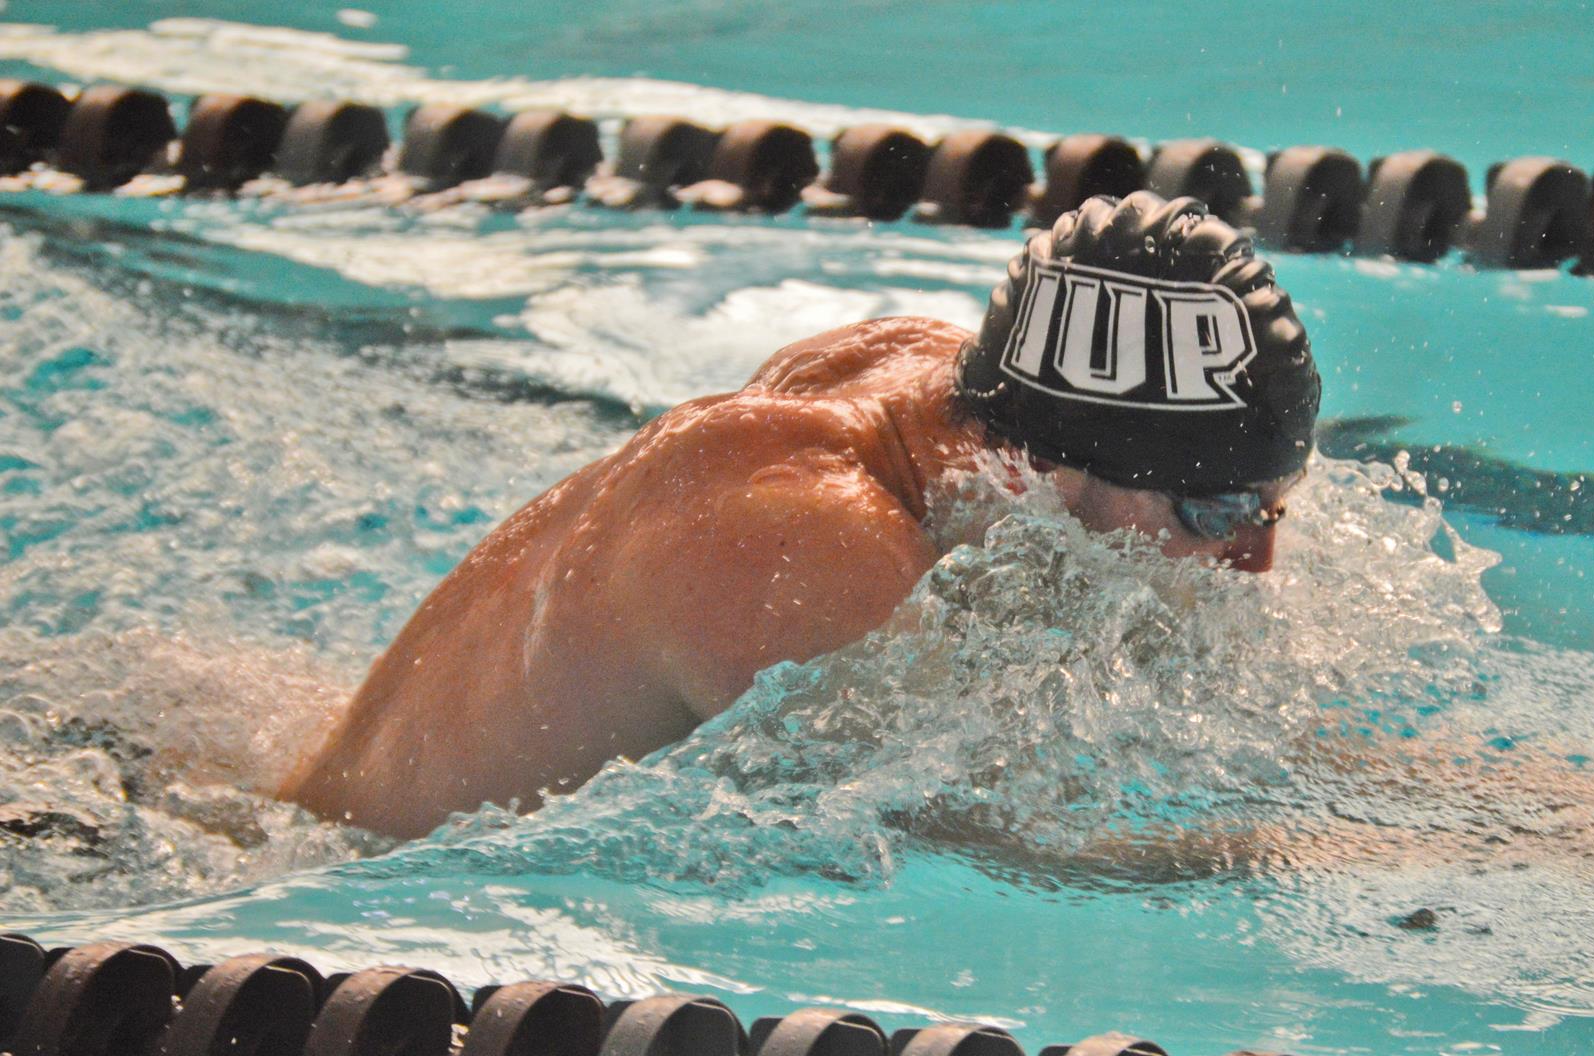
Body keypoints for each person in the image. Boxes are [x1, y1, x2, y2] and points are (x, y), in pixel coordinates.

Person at [277, 191, 1322, 838]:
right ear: (1054, 468)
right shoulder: (804, 548)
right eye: (1216, 507)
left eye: (1271, 501)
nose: (1254, 555)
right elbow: (1012, 848)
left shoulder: (928, 386)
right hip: (346, 913)